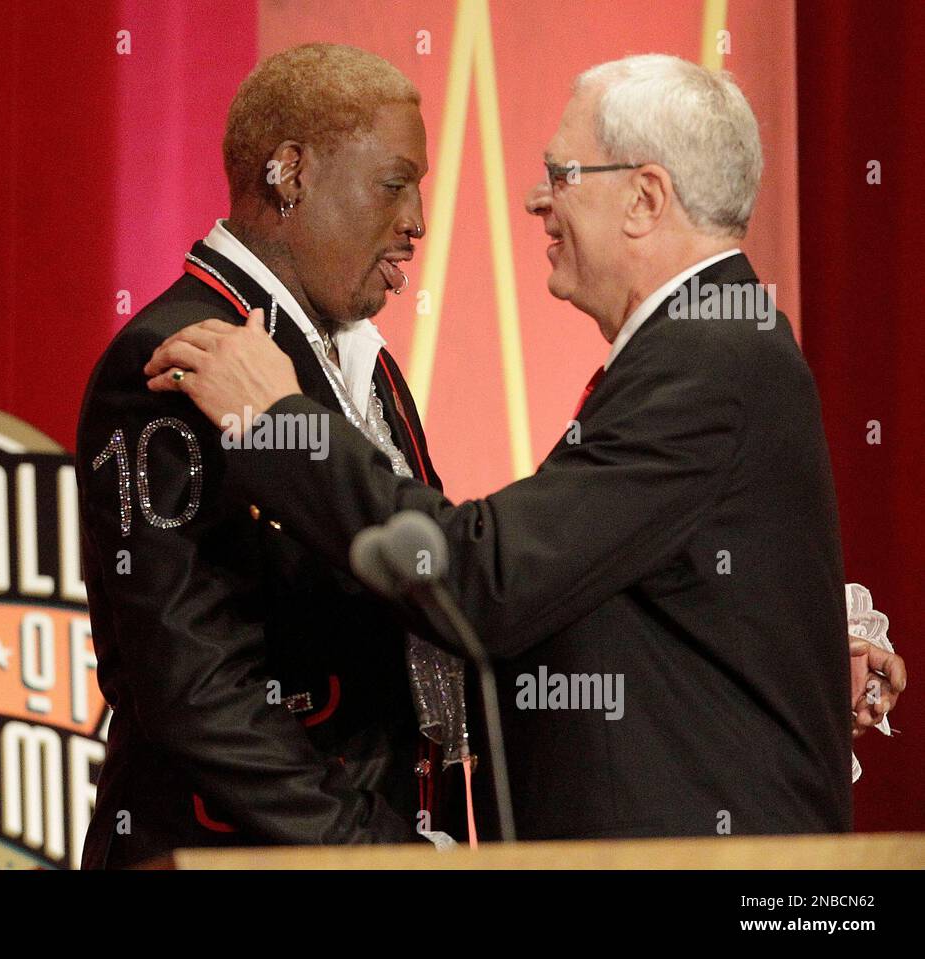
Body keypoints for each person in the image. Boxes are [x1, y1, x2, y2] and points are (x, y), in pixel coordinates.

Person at [145, 54, 906, 838]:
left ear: (644, 198)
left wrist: (279, 422)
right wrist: (794, 643)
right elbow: (608, 603)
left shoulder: (705, 358)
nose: (538, 199)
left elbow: (489, 582)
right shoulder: (711, 340)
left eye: (563, 174)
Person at [76, 43, 463, 868]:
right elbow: (192, 689)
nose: (418, 221)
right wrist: (372, 855)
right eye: (395, 182)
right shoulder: (171, 359)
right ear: (290, 172)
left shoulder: (368, 362)